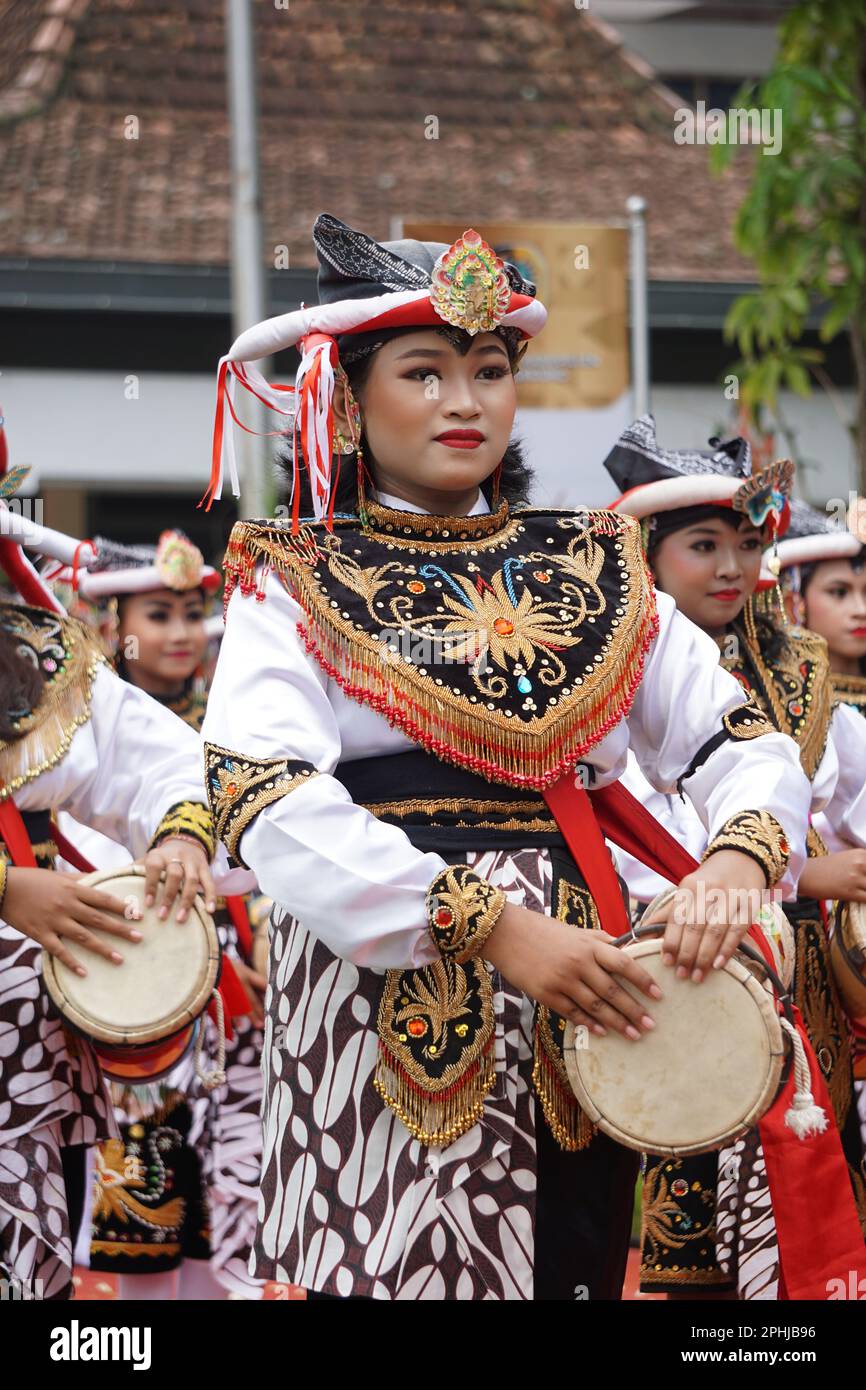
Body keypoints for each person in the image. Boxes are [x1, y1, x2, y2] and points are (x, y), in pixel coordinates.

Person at [200, 214, 811, 1300]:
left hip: (592, 987)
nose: (464, 401)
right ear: (344, 397)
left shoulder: (596, 563)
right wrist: (490, 926)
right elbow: (265, 794)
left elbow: (736, 738)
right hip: (384, 983)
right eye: (424, 372)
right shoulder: (289, 575)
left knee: (568, 1266)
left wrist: (733, 863)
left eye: (487, 370)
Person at [605, 415, 866, 1300]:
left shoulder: (799, 666)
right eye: (703, 545)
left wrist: (820, 863)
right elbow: (624, 819)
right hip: (672, 953)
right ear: (644, 552)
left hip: (797, 967)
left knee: (808, 1195)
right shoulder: (604, 665)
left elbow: (835, 796)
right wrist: (797, 869)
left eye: (748, 544)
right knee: (685, 1220)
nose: (729, 567)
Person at [0, 508, 216, 1301]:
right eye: (158, 614)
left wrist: (181, 840)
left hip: (26, 1046)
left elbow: (172, 769)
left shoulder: (31, 658)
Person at [62, 530, 267, 1300]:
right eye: (160, 614)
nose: (182, 634)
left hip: (235, 1010)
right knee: (143, 1214)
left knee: (235, 1212)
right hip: (133, 989)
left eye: (192, 613)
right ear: (110, 628)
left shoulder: (230, 721)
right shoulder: (71, 737)